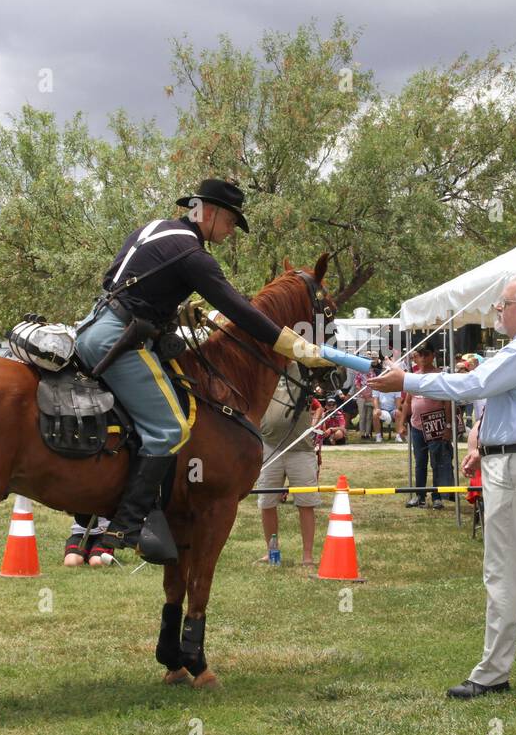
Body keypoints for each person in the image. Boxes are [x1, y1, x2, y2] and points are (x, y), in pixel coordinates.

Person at [74, 178, 334, 563]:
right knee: (169, 429)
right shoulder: (192, 253)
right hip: (120, 338)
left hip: (99, 326)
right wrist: (295, 346)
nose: (230, 233)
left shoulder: (153, 229)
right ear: (209, 213)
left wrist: (169, 311)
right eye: (231, 223)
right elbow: (239, 310)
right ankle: (124, 526)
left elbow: (120, 284)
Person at [369, 274, 516, 699]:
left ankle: (492, 674)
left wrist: (408, 381)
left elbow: (472, 385)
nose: (497, 310)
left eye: (504, 304)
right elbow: (491, 395)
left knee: (503, 568)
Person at [255, 365, 320, 566]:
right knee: (267, 502)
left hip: (300, 448)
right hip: (269, 446)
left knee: (306, 503)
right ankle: (272, 552)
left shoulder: (303, 367)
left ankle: (307, 556)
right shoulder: (263, 367)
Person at [398, 344, 455, 509]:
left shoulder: (440, 376)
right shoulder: (413, 377)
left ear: (433, 355)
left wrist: (448, 426)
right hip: (416, 426)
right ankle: (420, 496)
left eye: (426, 354)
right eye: (419, 354)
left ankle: (437, 496)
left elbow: (447, 402)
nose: (423, 358)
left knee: (437, 462)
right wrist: (401, 424)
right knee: (420, 462)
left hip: (435, 424)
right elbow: (407, 402)